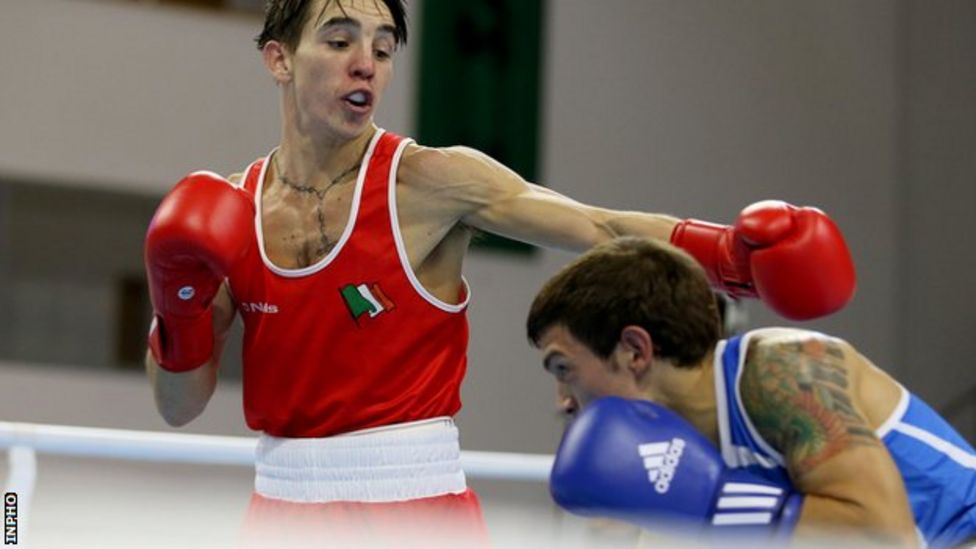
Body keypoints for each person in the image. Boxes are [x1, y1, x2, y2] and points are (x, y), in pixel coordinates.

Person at [142, 0, 855, 545]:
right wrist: (178, 307)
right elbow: (179, 406)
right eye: (339, 40)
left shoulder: (427, 182)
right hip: (278, 510)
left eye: (383, 48)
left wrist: (727, 255)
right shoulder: (230, 213)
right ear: (280, 59)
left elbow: (596, 225)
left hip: (415, 509)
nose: (366, 63)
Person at [526, 237, 976, 548]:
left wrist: (717, 500)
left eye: (564, 368)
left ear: (634, 350)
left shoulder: (784, 369)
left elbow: (883, 537)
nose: (564, 399)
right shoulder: (677, 459)